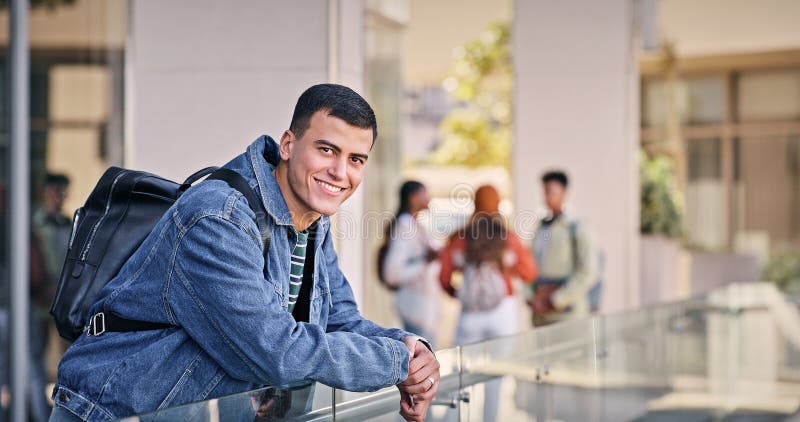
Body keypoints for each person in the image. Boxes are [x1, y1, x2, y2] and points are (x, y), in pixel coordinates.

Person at [50, 84, 440, 422]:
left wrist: (412, 349)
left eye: (356, 159)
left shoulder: (309, 223)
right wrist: (394, 364)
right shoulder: (218, 219)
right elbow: (277, 350)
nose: (341, 172)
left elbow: (338, 320)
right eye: (326, 149)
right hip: (114, 412)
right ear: (288, 145)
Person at [438, 184, 536, 422]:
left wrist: (458, 293)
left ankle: (454, 418)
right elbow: (529, 272)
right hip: (503, 311)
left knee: (460, 373)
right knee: (496, 373)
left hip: (470, 313)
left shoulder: (460, 236)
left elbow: (443, 275)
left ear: (474, 203)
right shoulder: (508, 237)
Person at [527, 170, 598, 326]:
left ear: (563, 192)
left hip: (567, 316)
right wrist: (531, 297)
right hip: (541, 317)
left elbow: (588, 271)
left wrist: (556, 300)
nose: (546, 197)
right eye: (545, 191)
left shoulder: (577, 227)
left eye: (551, 192)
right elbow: (530, 265)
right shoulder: (541, 227)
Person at [381, 181, 440, 346]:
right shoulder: (405, 226)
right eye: (424, 193)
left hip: (422, 308)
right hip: (415, 308)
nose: (428, 198)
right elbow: (392, 274)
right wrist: (425, 263)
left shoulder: (414, 224)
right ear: (413, 197)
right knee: (422, 361)